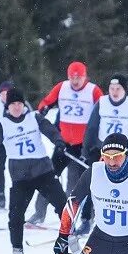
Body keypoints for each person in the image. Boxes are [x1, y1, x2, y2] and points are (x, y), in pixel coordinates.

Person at [0, 87, 69, 254]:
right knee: (15, 216)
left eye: (20, 104)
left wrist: (59, 141)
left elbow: (50, 130)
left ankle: (72, 240)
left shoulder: (34, 118)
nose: (17, 107)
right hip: (20, 178)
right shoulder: (2, 124)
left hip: (43, 171)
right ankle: (17, 253)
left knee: (63, 206)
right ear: (7, 106)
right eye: (13, 104)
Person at [38, 61, 104, 228]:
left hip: (85, 145)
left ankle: (86, 218)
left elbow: (104, 112)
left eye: (78, 77)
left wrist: (97, 143)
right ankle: (39, 212)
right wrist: (44, 108)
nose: (75, 81)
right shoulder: (62, 87)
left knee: (84, 182)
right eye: (72, 77)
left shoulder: (93, 90)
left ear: (85, 77)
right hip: (64, 143)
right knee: (50, 177)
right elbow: (46, 101)